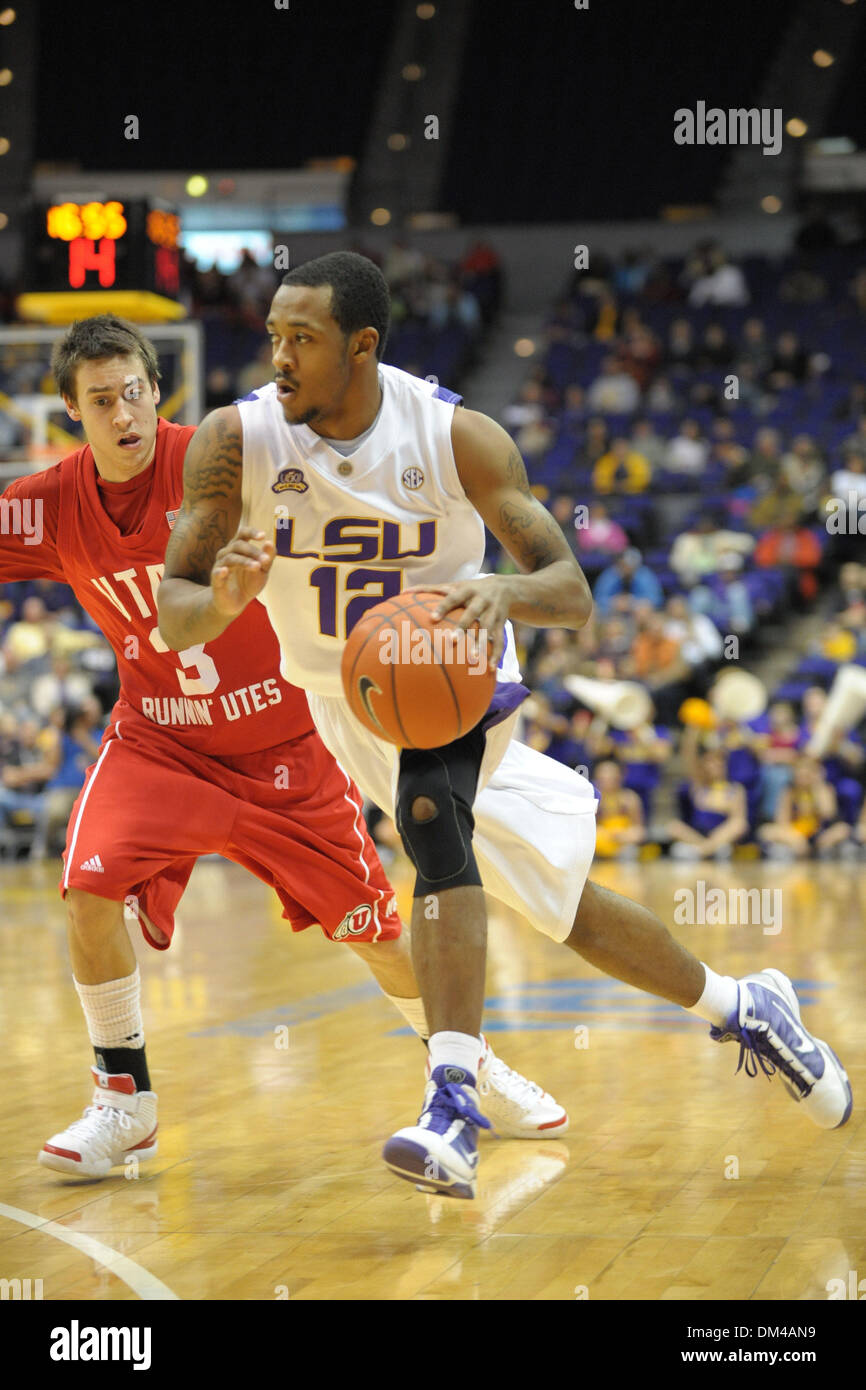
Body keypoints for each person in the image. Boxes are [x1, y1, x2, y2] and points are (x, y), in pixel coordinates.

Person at [158, 252, 852, 1201]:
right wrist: (226, 598)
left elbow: (568, 592)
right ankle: (748, 1006)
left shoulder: (456, 438)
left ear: (362, 346)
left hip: (450, 672)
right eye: (274, 336)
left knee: (434, 821)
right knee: (561, 908)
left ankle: (451, 1104)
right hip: (343, 701)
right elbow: (176, 611)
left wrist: (500, 589)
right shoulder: (233, 442)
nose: (278, 356)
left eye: (302, 340)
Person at [0, 314, 558, 1180]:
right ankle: (125, 1101)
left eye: (136, 393)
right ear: (73, 410)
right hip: (159, 743)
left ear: (158, 393)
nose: (124, 414)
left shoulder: (222, 464)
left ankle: (467, 1065)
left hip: (287, 748)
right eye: (101, 400)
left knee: (375, 935)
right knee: (86, 890)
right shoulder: (48, 503)